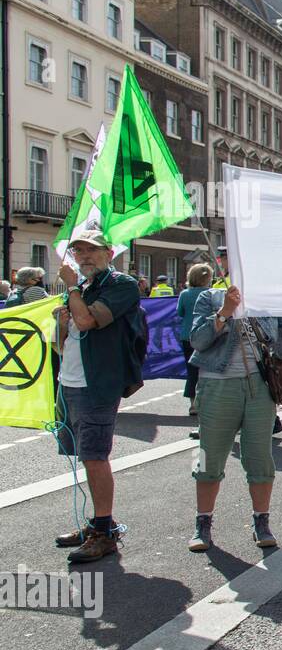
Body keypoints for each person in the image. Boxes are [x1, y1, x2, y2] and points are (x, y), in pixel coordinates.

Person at [51, 232, 144, 562]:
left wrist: (72, 289)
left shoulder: (121, 285)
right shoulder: (85, 288)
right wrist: (62, 324)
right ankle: (98, 521)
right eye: (78, 250)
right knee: (83, 454)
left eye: (92, 250)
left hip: (98, 384)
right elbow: (64, 338)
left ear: (108, 252)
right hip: (70, 381)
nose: (84, 256)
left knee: (94, 455)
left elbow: (88, 321)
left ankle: (103, 532)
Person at [187, 285, 282, 552]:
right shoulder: (209, 296)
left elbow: (274, 334)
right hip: (217, 384)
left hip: (259, 387)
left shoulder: (264, 294)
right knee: (209, 456)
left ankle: (261, 521)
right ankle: (202, 523)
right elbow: (197, 339)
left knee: (260, 456)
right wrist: (224, 314)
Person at [176, 264, 211, 416]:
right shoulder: (211, 293)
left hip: (187, 337)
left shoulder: (185, 294)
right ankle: (206, 402)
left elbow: (180, 313)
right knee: (207, 371)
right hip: (207, 336)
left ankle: (193, 404)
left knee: (192, 371)